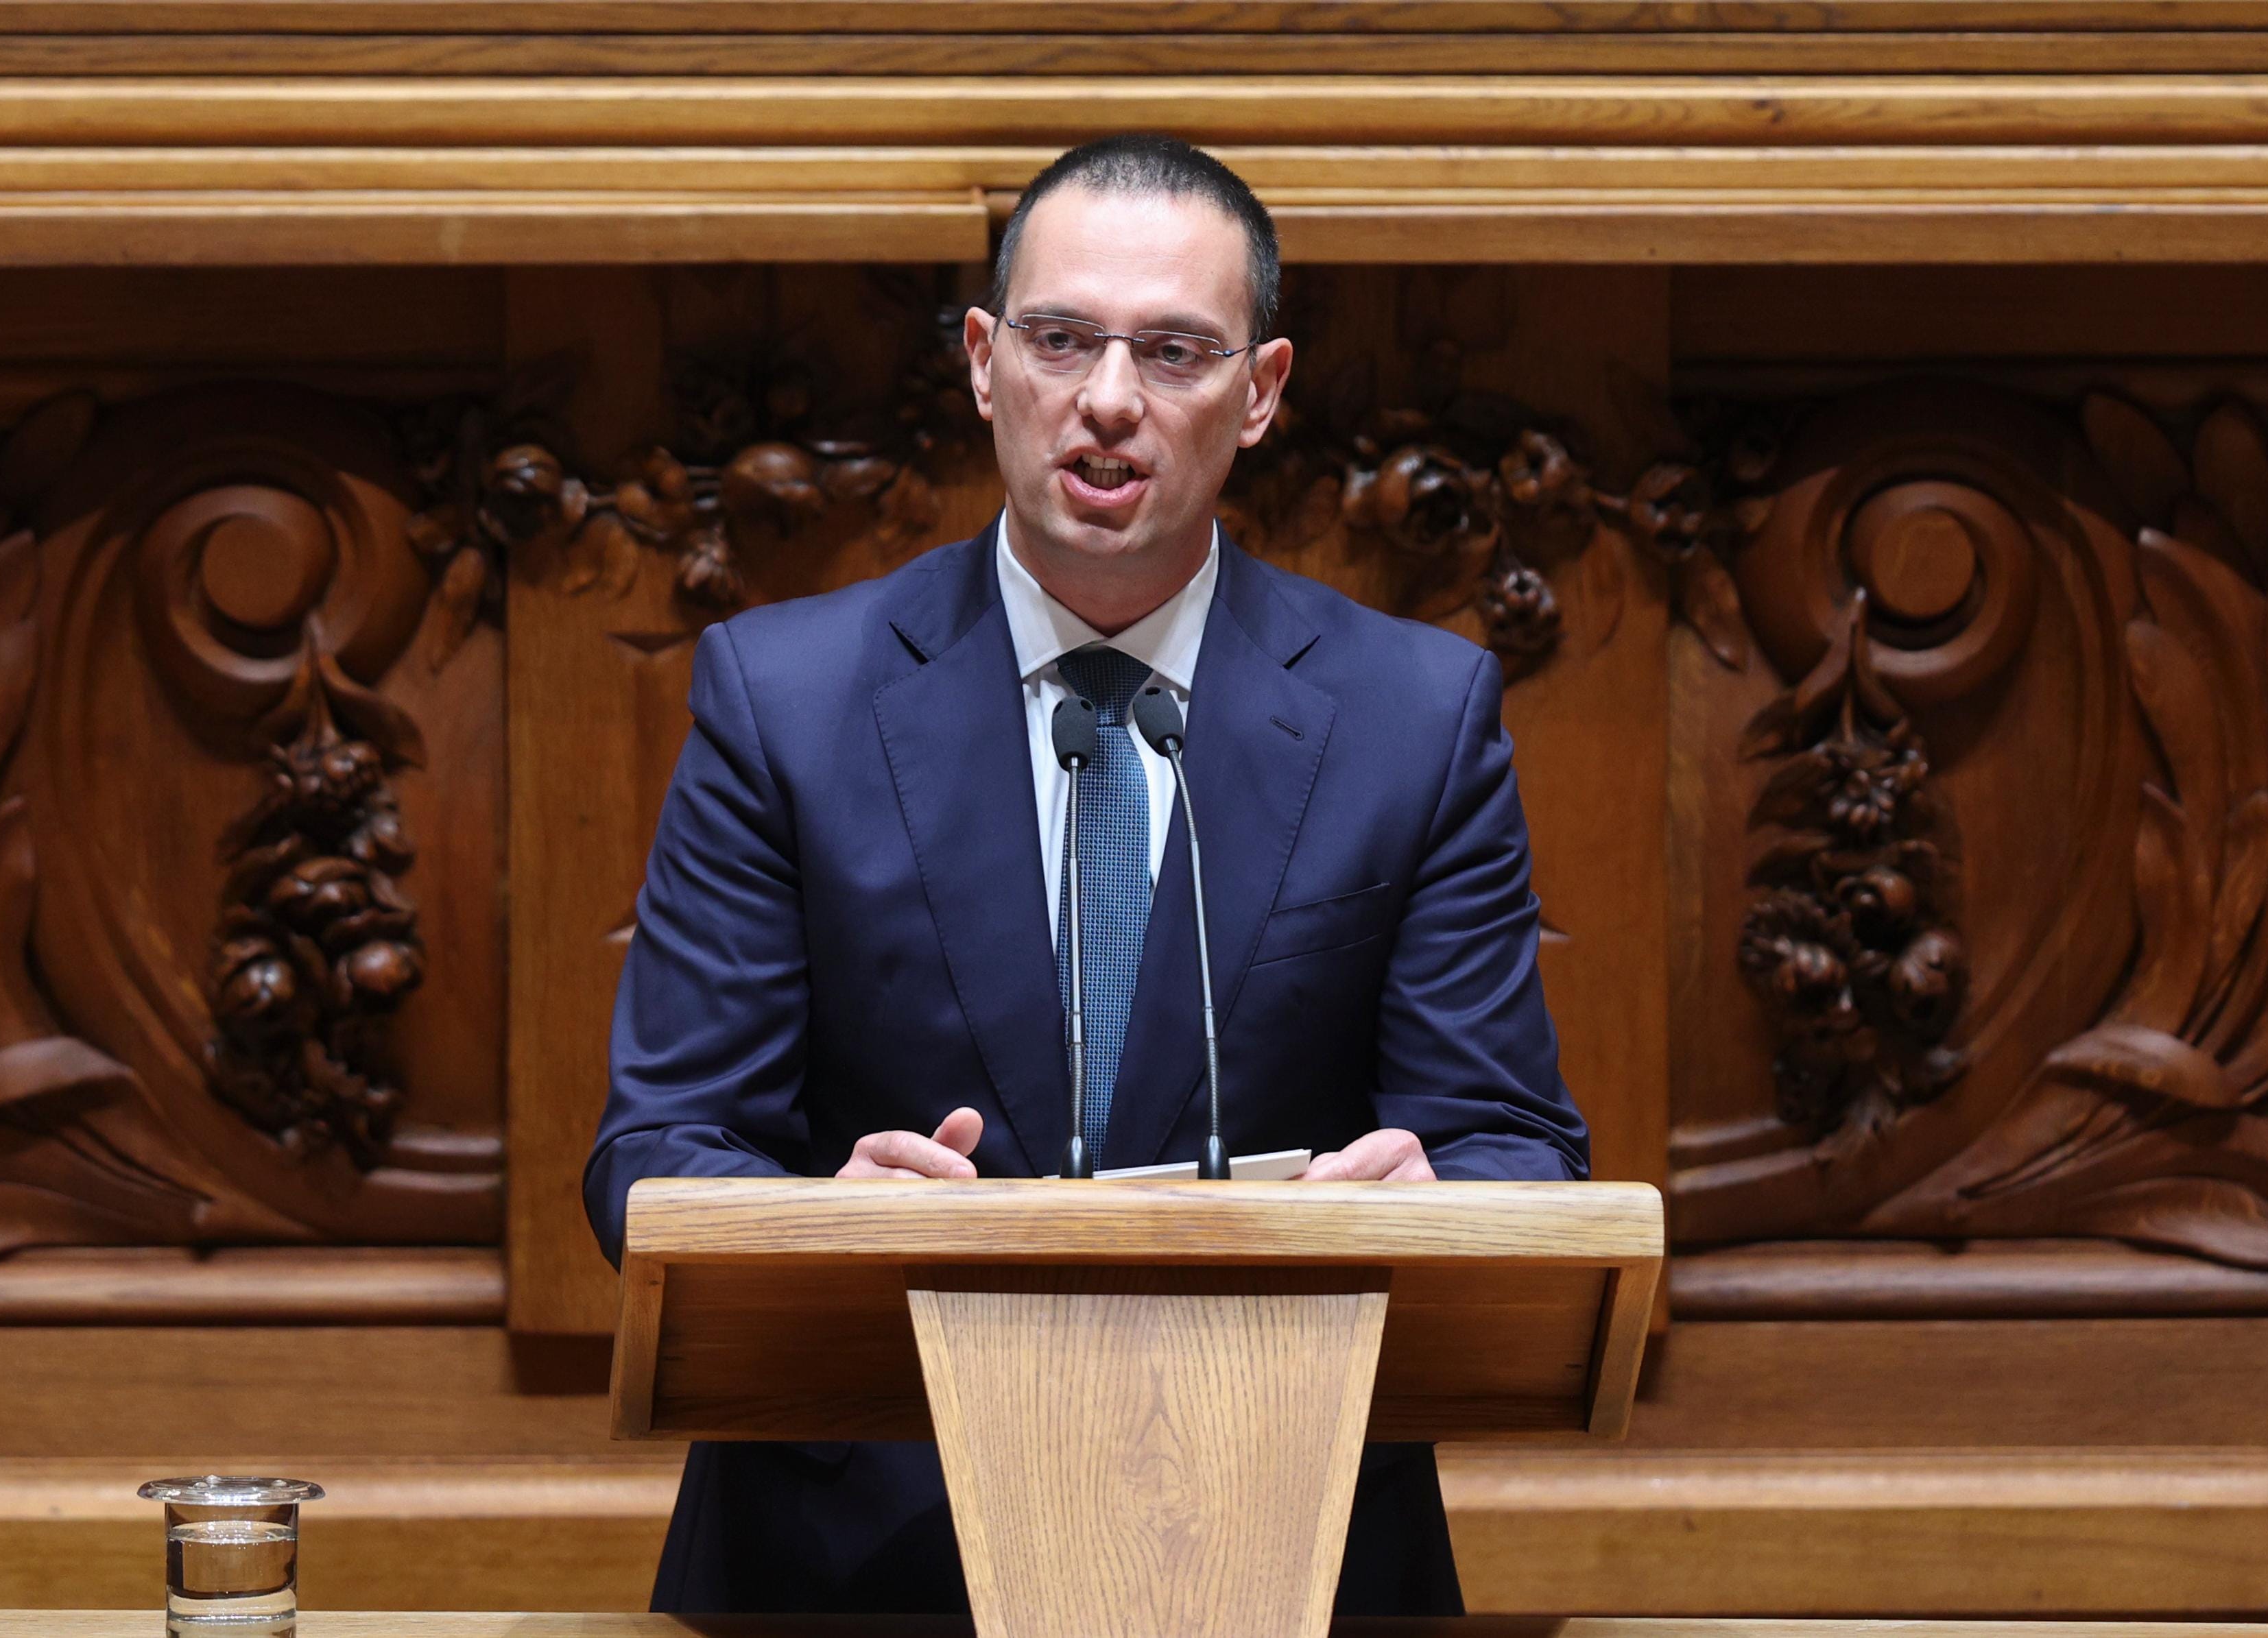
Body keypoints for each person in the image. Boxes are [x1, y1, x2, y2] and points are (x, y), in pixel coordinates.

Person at [583, 133, 1589, 1617]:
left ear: (1259, 393)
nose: (1108, 401)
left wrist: (1434, 1193)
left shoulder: (1411, 718)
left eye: (1176, 352)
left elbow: (1516, 1143)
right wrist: (821, 1221)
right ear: (986, 363)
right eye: (1061, 340)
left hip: (1286, 1543)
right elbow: (656, 1151)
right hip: (860, 1557)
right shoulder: (779, 700)